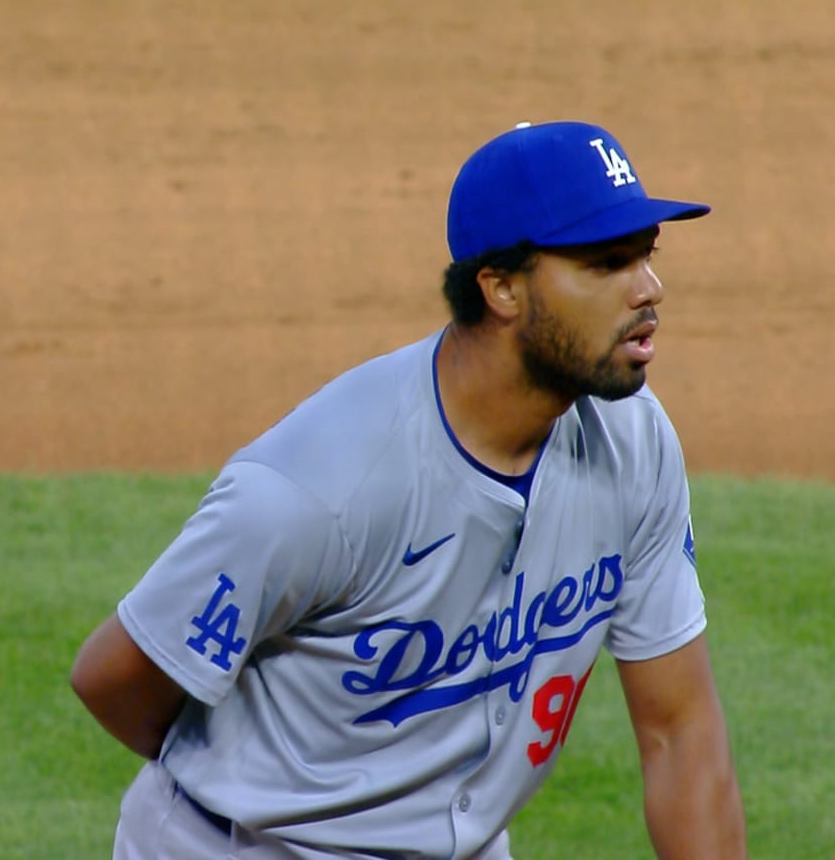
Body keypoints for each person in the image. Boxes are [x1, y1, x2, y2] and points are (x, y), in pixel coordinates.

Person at [70, 120, 747, 859]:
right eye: (606, 262)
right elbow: (115, 678)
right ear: (502, 287)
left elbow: (680, 734)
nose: (649, 288)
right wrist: (257, 788)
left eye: (646, 255)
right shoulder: (320, 487)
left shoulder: (634, 445)